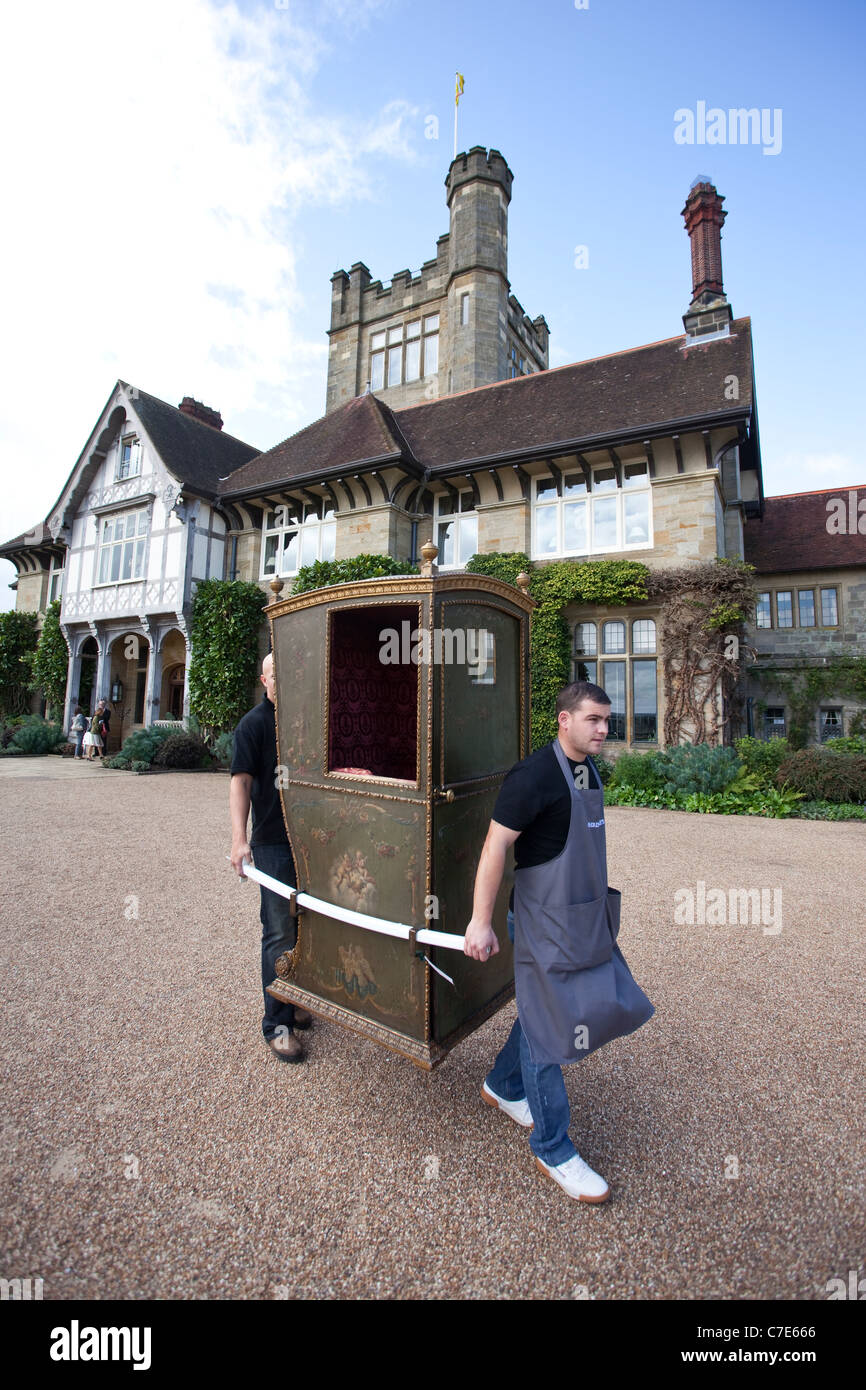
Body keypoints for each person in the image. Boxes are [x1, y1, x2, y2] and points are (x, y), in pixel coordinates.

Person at [464, 680, 654, 1203]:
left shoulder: (588, 767)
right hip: (541, 921)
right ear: (564, 720)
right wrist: (481, 921)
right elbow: (494, 847)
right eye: (594, 720)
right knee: (552, 1025)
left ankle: (503, 1086)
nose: (604, 730)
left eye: (606, 720)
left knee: (541, 1009)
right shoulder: (533, 776)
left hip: (581, 915)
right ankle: (552, 1147)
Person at [229, 652, 313, 1064]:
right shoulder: (253, 725)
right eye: (277, 674)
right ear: (265, 680)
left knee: (309, 926)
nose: (285, 680)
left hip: (313, 842)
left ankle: (297, 999)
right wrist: (238, 840)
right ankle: (277, 1024)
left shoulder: (308, 719)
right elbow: (240, 782)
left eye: (291, 672)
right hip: (273, 842)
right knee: (280, 931)